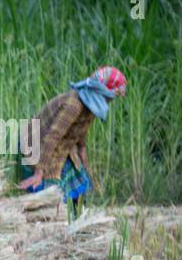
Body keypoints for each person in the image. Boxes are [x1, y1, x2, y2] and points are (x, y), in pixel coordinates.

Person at [18, 66, 127, 214]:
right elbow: (52, 136)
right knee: (52, 190)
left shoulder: (89, 105)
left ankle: (77, 220)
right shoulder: (73, 105)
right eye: (110, 97)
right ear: (103, 92)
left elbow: (81, 129)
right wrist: (39, 171)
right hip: (38, 144)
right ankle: (52, 217)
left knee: (80, 180)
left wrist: (82, 151)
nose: (111, 101)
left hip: (62, 145)